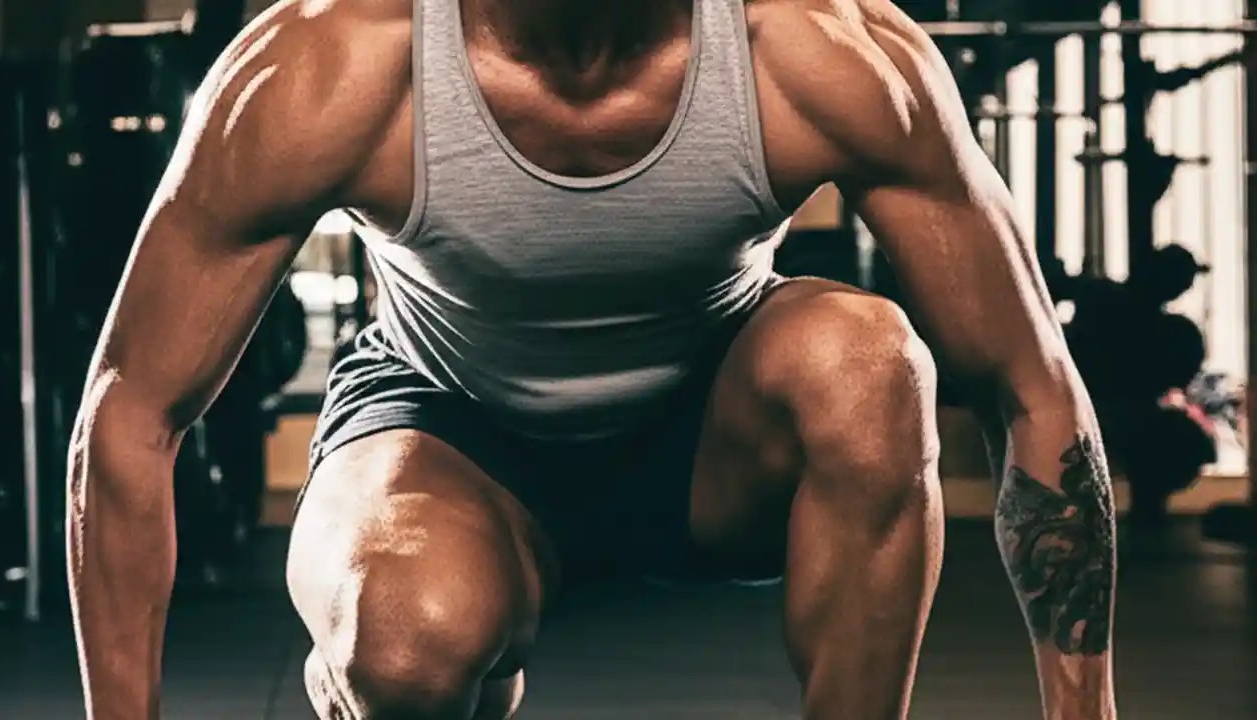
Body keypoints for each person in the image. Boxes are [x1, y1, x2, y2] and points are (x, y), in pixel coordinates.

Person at [66, 1, 1118, 718]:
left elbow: (1030, 387)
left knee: (870, 359)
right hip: (450, 432)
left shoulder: (817, 49)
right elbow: (130, 412)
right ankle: (445, 630)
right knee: (405, 642)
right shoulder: (330, 63)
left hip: (710, 443)